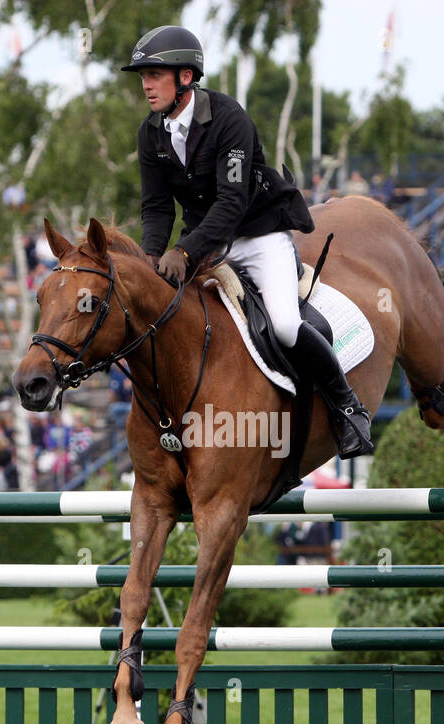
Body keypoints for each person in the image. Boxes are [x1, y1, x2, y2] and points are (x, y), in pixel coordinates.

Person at [121, 25, 373, 459]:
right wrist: (149, 260)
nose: (145, 84)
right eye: (142, 75)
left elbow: (231, 203)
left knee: (285, 326)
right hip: (202, 241)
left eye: (154, 74)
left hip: (257, 236)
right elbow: (157, 208)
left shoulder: (227, 118)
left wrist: (184, 253)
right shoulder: (151, 133)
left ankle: (348, 407)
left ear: (185, 77)